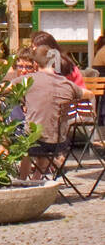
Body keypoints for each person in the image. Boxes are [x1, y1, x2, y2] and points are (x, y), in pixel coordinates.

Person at [21, 44, 89, 179]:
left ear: (35, 64)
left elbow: (4, 89)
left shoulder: (28, 80)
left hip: (35, 143)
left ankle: (22, 180)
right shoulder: (66, 84)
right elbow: (89, 94)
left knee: (28, 141)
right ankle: (37, 178)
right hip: (59, 143)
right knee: (45, 132)